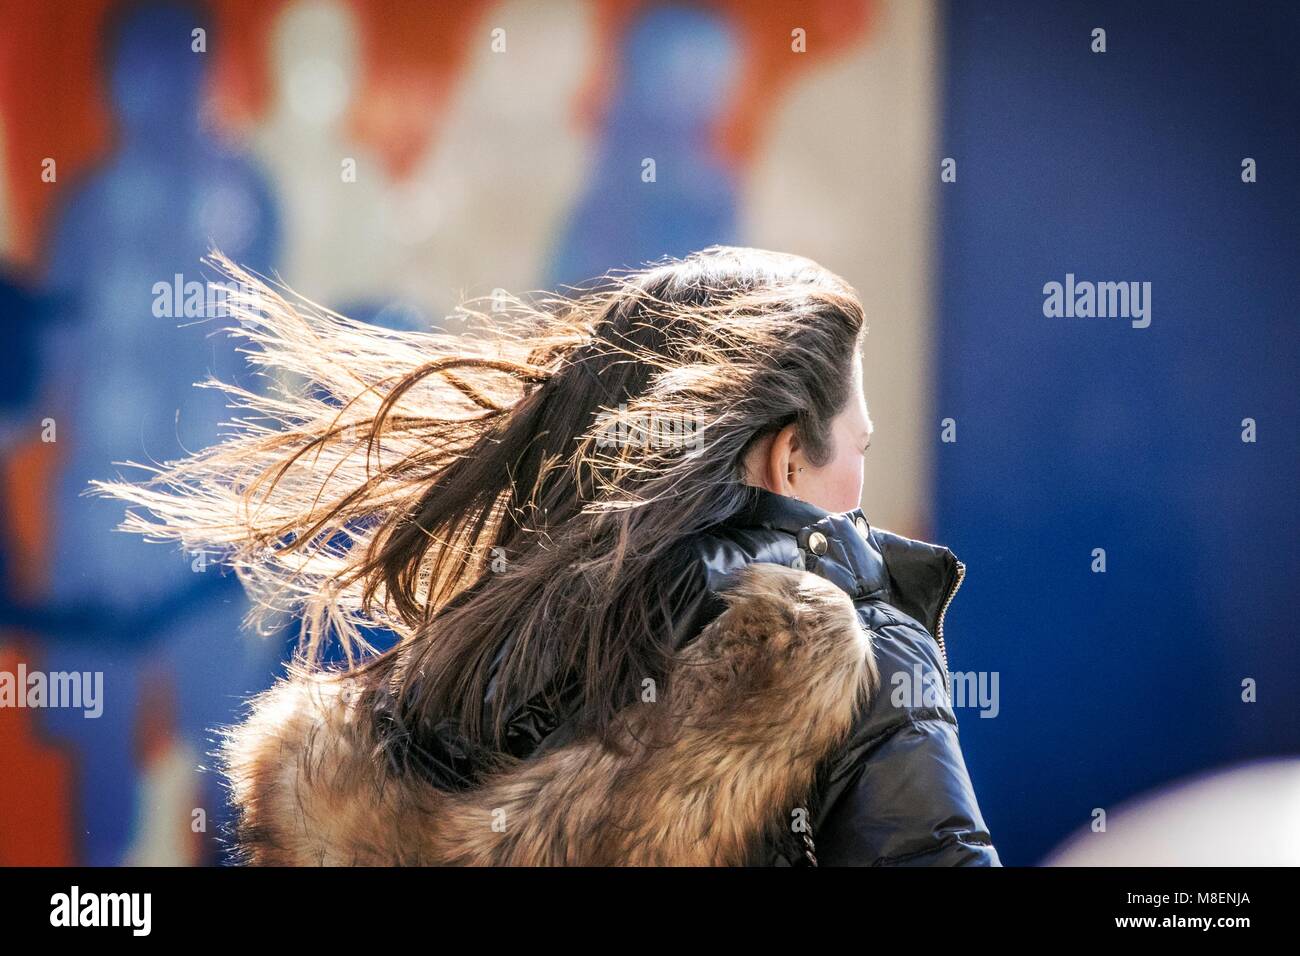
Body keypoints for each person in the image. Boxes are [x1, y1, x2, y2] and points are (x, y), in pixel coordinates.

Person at [98, 246, 999, 866]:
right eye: (861, 449)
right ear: (786, 454)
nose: (863, 487)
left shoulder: (454, 672)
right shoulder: (846, 649)